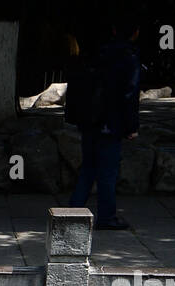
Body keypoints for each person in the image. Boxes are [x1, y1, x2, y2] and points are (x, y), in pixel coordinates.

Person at [67, 16, 141, 230]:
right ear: (135, 32)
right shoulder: (128, 56)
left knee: (88, 168)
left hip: (91, 120)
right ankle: (106, 216)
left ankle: (73, 212)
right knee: (107, 172)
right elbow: (129, 95)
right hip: (112, 122)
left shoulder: (98, 53)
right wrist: (131, 126)